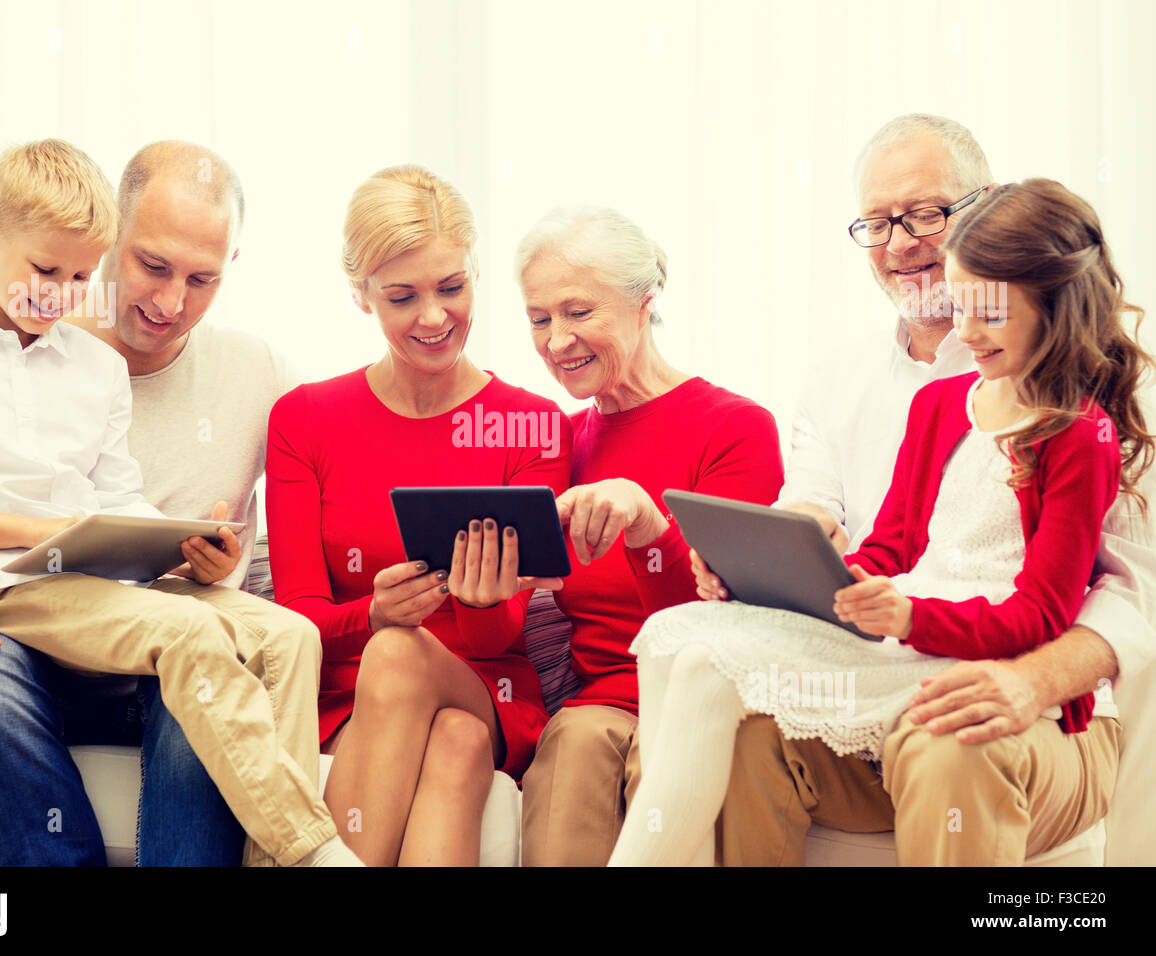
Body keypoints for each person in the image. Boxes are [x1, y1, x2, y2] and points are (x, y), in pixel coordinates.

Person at [617, 127, 1154, 864]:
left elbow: (1127, 594)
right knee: (714, 675)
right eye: (878, 221)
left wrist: (1027, 681)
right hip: (890, 651)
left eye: (926, 213)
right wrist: (762, 572)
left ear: (984, 212)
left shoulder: (1099, 408)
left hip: (1036, 693)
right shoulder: (871, 387)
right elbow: (834, 523)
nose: (900, 242)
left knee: (949, 741)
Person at [0, 139, 354, 867]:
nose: (60, 293)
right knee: (192, 637)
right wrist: (35, 529)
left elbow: (117, 493)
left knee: (288, 637)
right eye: (46, 271)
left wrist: (187, 546)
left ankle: (265, 859)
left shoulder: (94, 366)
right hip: (7, 589)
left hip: (95, 588)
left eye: (77, 276)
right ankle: (314, 851)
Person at [266, 164, 571, 866]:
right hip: (351, 704)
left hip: (486, 683)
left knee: (409, 660)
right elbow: (297, 621)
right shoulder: (305, 419)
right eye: (402, 296)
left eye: (452, 288)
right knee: (452, 737)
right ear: (360, 294)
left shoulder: (531, 425)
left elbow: (502, 637)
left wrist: (480, 600)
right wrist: (370, 617)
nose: (434, 318)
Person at [514, 205, 785, 866]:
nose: (556, 341)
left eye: (579, 312)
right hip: (599, 701)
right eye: (539, 318)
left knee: (663, 762)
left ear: (644, 303)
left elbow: (714, 628)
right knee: (575, 741)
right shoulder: (559, 442)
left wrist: (649, 527)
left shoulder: (735, 428)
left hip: (703, 699)